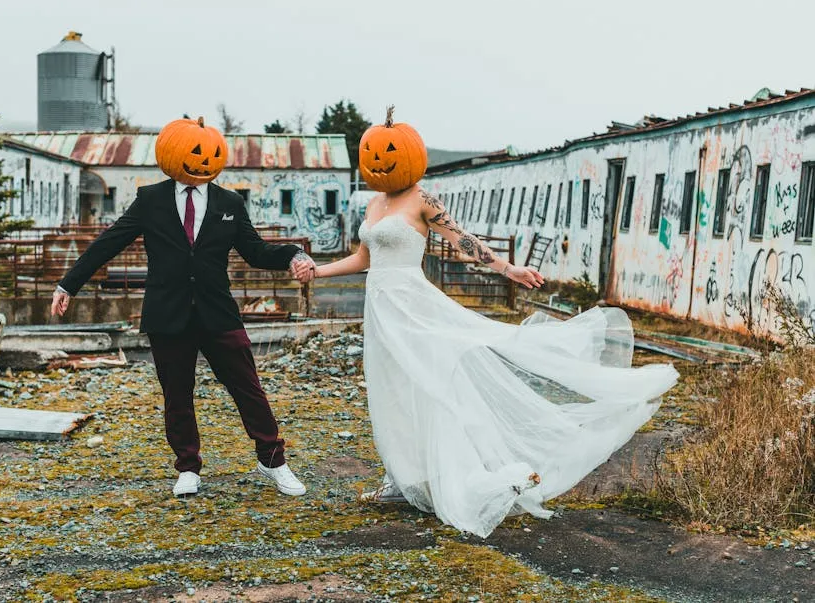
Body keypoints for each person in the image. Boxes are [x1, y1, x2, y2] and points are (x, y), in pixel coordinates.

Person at [289, 109, 679, 538]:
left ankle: (451, 474)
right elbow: (365, 259)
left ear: (410, 156)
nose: (378, 160)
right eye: (371, 153)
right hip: (380, 309)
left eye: (387, 153)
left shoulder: (423, 200)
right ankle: (402, 477)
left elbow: (464, 241)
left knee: (429, 386)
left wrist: (508, 269)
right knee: (392, 391)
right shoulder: (375, 202)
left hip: (413, 306)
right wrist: (319, 271)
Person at [53, 116, 313, 498]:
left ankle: (272, 460)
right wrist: (68, 283)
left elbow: (255, 252)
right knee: (177, 394)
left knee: (248, 387)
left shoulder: (229, 202)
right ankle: (188, 466)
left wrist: (292, 254)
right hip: (167, 313)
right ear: (172, 154)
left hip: (218, 312)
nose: (202, 161)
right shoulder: (150, 199)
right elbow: (111, 242)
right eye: (194, 153)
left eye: (210, 154)